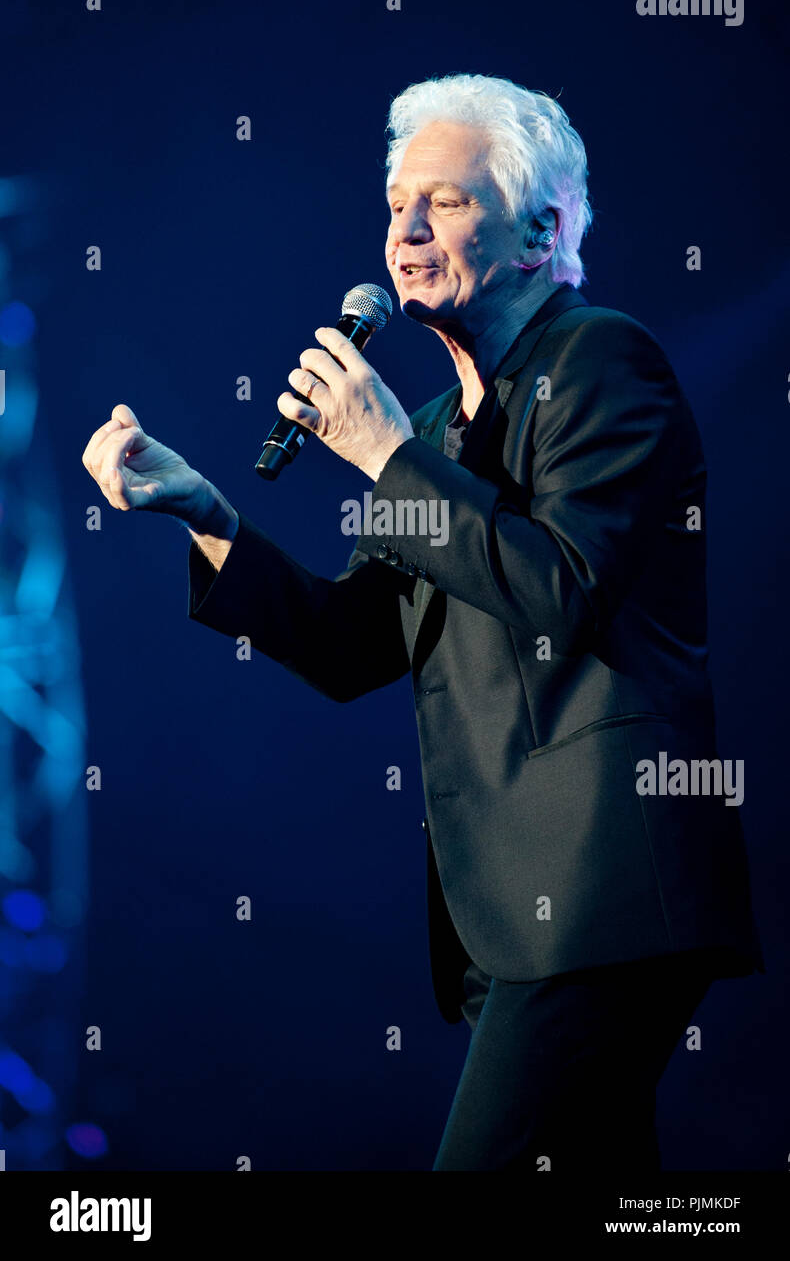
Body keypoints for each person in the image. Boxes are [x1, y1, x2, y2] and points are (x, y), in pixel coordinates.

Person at [82, 73, 763, 1172]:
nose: (403, 230)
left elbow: (562, 590)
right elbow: (360, 644)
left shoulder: (601, 360)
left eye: (443, 202)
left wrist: (381, 455)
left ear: (543, 228)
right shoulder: (438, 427)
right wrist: (205, 512)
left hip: (600, 892)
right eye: (396, 202)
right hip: (504, 916)